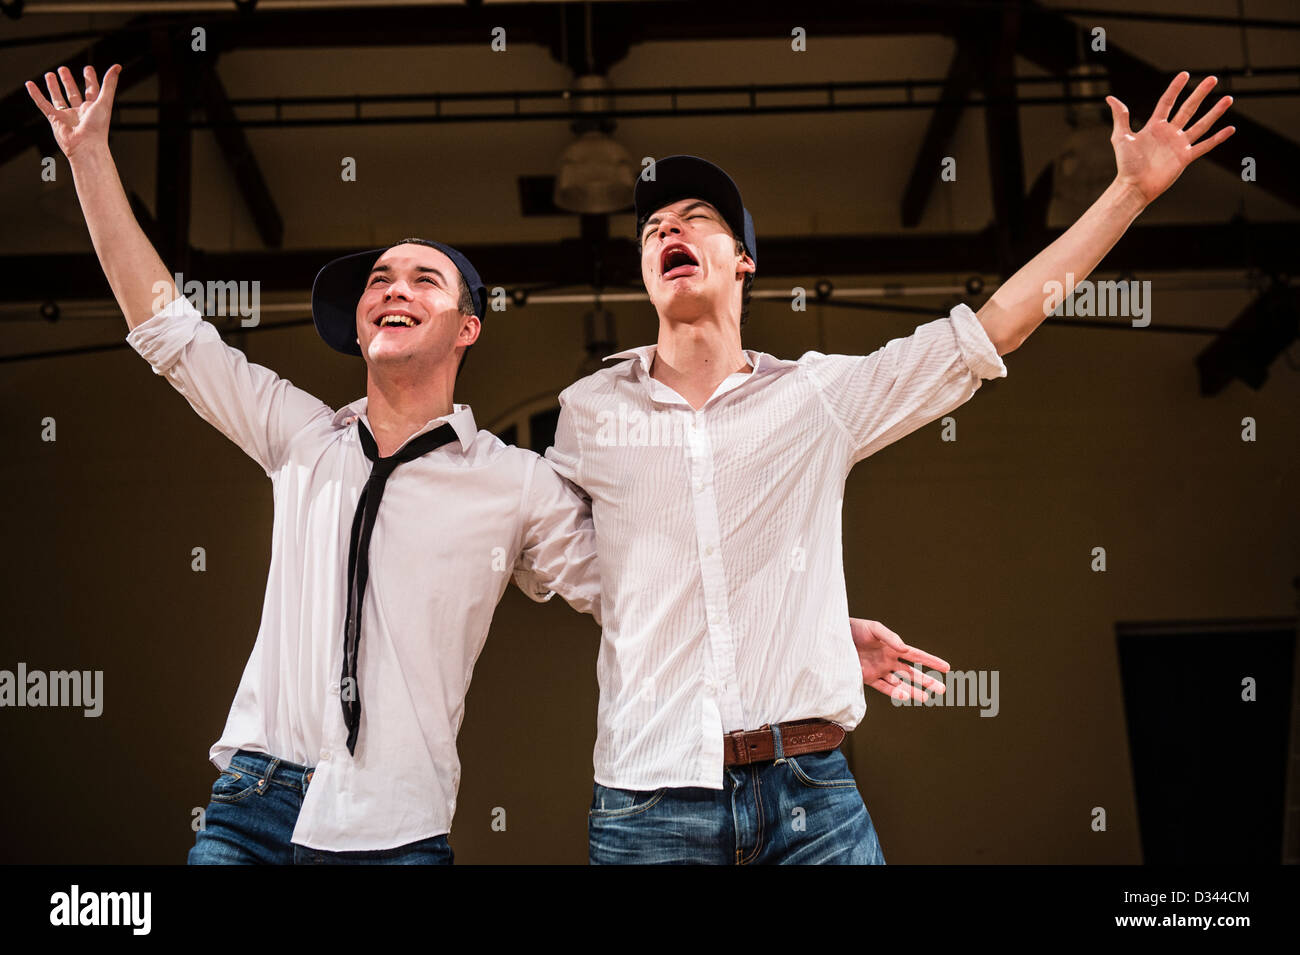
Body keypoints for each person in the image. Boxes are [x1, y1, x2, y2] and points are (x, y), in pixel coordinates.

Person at [547, 72, 1235, 864]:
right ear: (644, 272)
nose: (668, 227)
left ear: (742, 260)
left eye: (696, 217)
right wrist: (770, 619)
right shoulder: (590, 412)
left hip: (809, 793)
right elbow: (572, 561)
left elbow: (992, 330)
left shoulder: (815, 396)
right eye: (651, 228)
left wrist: (1129, 193)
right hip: (649, 802)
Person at [27, 63, 601, 864]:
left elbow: (634, 593)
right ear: (361, 322)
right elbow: (169, 333)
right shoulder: (304, 435)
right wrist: (88, 157)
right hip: (253, 805)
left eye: (423, 279)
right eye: (379, 280)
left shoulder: (515, 481)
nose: (393, 289)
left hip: (395, 827)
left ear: (467, 328)